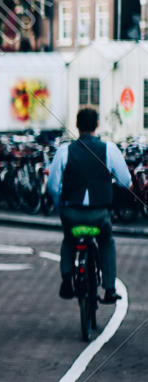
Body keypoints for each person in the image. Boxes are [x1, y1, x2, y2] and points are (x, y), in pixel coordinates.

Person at [46, 105, 130, 304]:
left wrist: (62, 206)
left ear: (76, 125)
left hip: (72, 214)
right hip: (99, 214)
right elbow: (125, 182)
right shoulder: (109, 149)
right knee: (107, 241)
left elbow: (53, 187)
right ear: (97, 125)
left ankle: (67, 279)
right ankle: (109, 288)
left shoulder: (64, 151)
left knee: (69, 239)